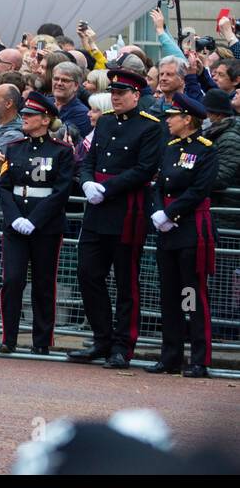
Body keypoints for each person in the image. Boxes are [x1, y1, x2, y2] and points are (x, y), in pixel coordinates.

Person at [69, 68, 165, 369]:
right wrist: (86, 181)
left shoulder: (151, 127)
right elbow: (89, 159)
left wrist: (106, 188)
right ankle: (102, 338)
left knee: (126, 283)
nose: (116, 97)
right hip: (97, 209)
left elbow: (145, 169)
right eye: (113, 93)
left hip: (126, 210)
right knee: (87, 274)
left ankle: (123, 345)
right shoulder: (107, 121)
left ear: (136, 95)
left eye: (122, 93)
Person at [0, 92, 76, 354]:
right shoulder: (15, 147)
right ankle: (9, 338)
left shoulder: (61, 152)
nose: (25, 119)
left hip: (46, 226)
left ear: (45, 120)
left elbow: (61, 191)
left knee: (43, 283)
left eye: (30, 115)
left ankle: (41, 341)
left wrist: (35, 220)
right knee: (13, 280)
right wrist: (15, 217)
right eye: (25, 114)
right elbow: (5, 187)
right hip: (16, 223)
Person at [146, 94, 218, 378]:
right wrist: (157, 212)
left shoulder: (206, 149)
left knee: (192, 296)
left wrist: (170, 213)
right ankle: (171, 356)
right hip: (168, 232)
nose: (168, 121)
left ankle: (199, 358)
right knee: (169, 296)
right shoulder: (171, 147)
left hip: (189, 231)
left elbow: (199, 189)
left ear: (188, 119)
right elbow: (157, 184)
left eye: (172, 116)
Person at [49, 61, 90, 138]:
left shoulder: (82, 113)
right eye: (56, 79)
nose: (59, 83)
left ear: (76, 86)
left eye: (65, 80)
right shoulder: (45, 103)